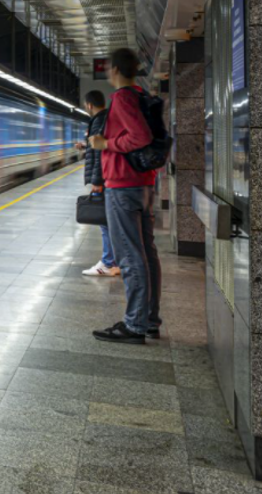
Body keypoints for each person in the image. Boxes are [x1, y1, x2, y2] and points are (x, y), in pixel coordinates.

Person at [87, 48, 161, 344]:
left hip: (123, 185)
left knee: (130, 256)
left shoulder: (123, 97)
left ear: (115, 70)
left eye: (109, 68)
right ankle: (149, 319)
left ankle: (135, 325)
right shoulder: (141, 95)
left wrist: (105, 144)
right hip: (142, 183)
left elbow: (140, 137)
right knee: (146, 254)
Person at [74, 90, 118, 277]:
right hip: (108, 178)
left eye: (86, 105)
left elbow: (101, 153)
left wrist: (97, 181)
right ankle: (114, 261)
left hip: (104, 179)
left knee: (105, 222)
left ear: (89, 105)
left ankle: (108, 263)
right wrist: (86, 146)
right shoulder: (104, 119)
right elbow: (98, 146)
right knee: (108, 222)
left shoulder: (99, 121)